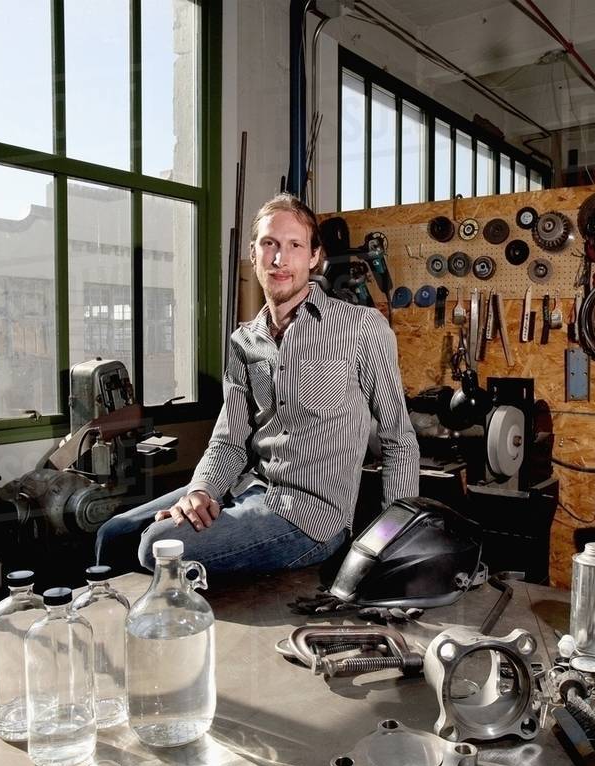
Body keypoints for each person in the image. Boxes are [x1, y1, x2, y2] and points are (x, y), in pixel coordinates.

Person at [96, 193, 419, 573]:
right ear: (253, 253)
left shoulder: (361, 327)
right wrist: (202, 490)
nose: (280, 259)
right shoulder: (244, 341)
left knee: (156, 545)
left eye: (295, 245)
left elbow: (399, 441)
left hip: (309, 518)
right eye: (270, 244)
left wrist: (394, 544)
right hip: (248, 488)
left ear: (314, 256)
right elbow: (229, 440)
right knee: (113, 533)